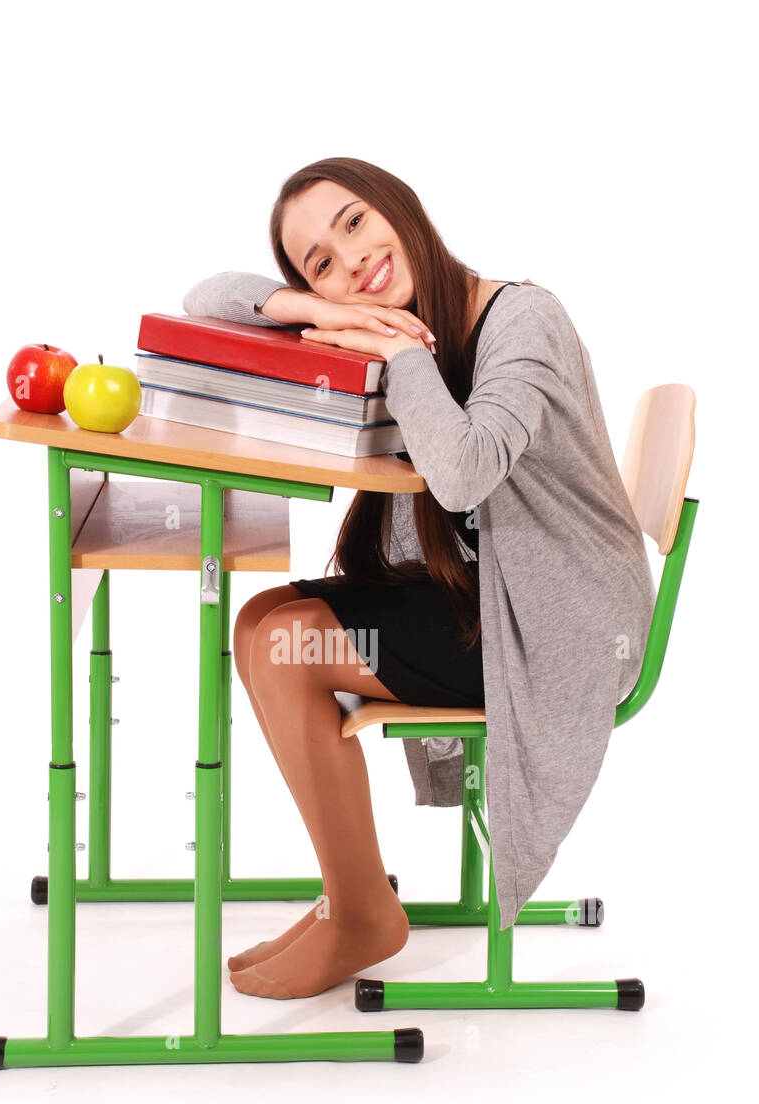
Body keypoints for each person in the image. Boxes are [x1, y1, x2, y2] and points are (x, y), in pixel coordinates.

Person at [182, 155, 656, 1002]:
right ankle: (350, 895)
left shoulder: (522, 321)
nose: (351, 256)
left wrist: (398, 356)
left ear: (400, 208)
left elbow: (465, 472)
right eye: (320, 259)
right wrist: (318, 310)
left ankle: (361, 912)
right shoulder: (381, 308)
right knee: (260, 620)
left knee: (286, 648)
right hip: (489, 595)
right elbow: (209, 296)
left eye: (355, 221)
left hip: (560, 625)